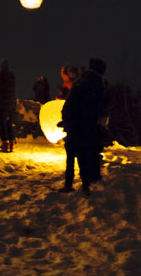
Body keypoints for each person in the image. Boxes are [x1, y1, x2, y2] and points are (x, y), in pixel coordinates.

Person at [60, 58, 108, 194]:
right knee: (82, 155)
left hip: (75, 123)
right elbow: (100, 107)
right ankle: (85, 185)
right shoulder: (99, 86)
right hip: (88, 125)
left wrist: (65, 119)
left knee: (70, 156)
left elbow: (70, 104)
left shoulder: (80, 83)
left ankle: (68, 185)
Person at [0, 59, 17, 152]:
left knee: (2, 123)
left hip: (1, 102)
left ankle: (5, 143)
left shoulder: (0, 75)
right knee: (9, 123)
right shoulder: (11, 75)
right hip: (11, 102)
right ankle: (11, 143)